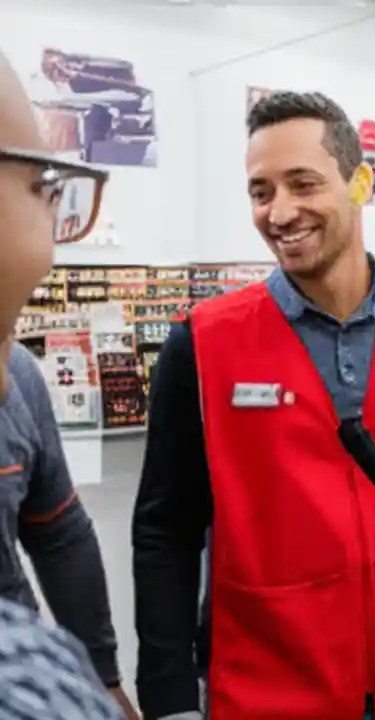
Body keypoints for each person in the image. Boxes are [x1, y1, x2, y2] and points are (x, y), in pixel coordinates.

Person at [133, 91, 375, 720]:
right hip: (267, 687)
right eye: (261, 192)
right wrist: (169, 697)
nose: (280, 212)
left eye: (303, 183)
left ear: (360, 182)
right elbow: (165, 532)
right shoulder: (200, 344)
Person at [0, 50, 138, 720]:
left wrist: (105, 673)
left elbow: (58, 533)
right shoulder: (32, 683)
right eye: (43, 186)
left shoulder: (21, 381)